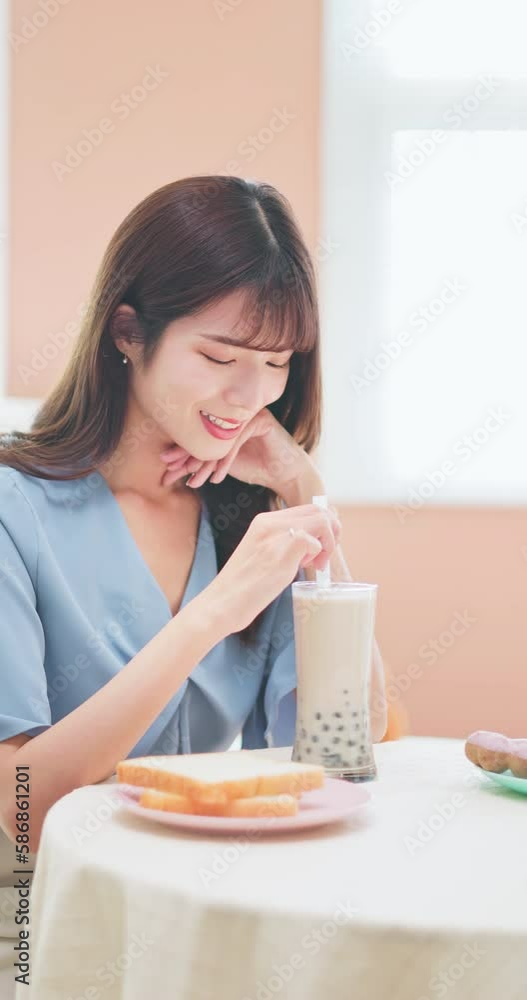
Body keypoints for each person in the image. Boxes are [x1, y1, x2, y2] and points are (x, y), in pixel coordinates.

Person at [0, 176, 387, 898]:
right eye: (219, 357)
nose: (251, 397)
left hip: (204, 900)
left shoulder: (251, 515)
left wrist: (303, 487)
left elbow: (351, 742)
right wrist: (212, 615)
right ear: (127, 332)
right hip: (35, 914)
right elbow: (21, 805)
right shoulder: (14, 510)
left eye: (277, 364)